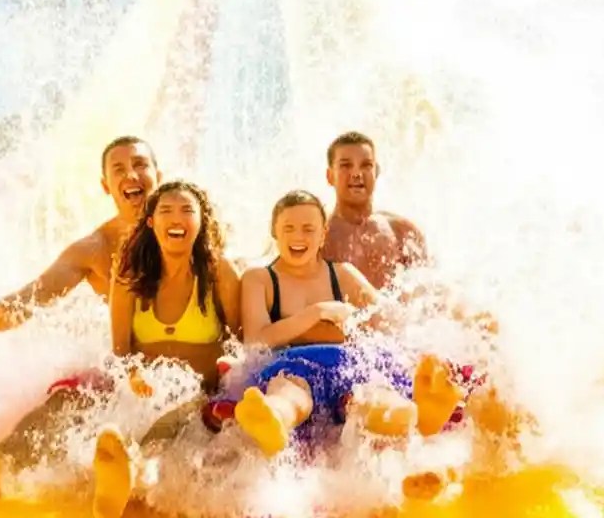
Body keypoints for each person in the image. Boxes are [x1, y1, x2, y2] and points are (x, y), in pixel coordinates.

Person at [0, 135, 161, 499]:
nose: (131, 174)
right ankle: (2, 462)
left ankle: (134, 477)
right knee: (73, 396)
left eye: (140, 165)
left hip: (184, 364)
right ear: (106, 186)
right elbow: (36, 295)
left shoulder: (189, 227)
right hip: (131, 364)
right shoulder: (95, 250)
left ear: (158, 174)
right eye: (119, 169)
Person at [229, 190, 465, 457]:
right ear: (275, 231)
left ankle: (411, 415)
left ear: (323, 233)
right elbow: (257, 340)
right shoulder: (259, 279)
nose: (298, 237)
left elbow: (389, 321)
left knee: (370, 391)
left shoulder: (342, 274)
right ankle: (273, 418)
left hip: (349, 363)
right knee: (288, 392)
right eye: (289, 228)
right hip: (292, 365)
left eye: (308, 229)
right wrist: (316, 313)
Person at [90, 180, 241, 518]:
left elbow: (240, 343)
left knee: (175, 415)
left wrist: (226, 375)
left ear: (203, 221)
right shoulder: (129, 274)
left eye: (188, 210)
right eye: (166, 211)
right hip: (143, 389)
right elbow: (120, 350)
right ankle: (117, 470)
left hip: (201, 393)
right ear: (150, 222)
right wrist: (133, 372)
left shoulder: (219, 272)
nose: (177, 218)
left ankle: (131, 471)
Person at [322, 131, 429, 291]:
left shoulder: (403, 232)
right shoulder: (319, 238)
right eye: (345, 165)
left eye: (366, 165)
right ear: (330, 176)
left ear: (376, 172)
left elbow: (431, 297)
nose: (357, 174)